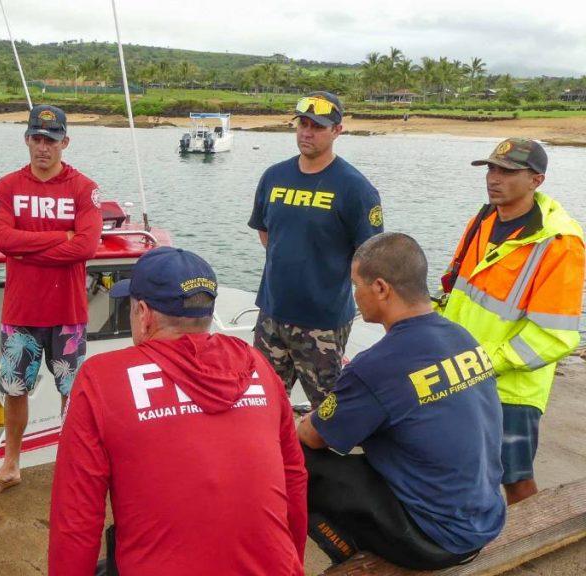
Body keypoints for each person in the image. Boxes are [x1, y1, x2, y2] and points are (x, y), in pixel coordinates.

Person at [49, 247, 307, 575]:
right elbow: (294, 480)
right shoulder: (259, 365)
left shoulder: (100, 379)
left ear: (143, 313)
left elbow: (76, 521)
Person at [298, 233, 506, 570]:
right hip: (485, 518)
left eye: (356, 284)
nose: (354, 295)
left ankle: (353, 556)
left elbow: (312, 436)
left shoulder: (377, 365)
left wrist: (311, 419)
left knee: (297, 459)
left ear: (380, 288)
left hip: (436, 540)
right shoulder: (460, 336)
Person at [436, 138, 584, 505]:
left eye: (507, 171)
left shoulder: (559, 243)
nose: (494, 178)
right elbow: (454, 291)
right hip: (461, 368)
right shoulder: (482, 220)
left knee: (514, 476)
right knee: (458, 459)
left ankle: (529, 530)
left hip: (512, 387)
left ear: (537, 180)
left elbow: (554, 335)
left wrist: (485, 363)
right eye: (491, 168)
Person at [0, 104, 103, 499]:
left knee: (73, 391)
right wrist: (59, 239)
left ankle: (73, 463)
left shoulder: (83, 188)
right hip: (21, 314)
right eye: (36, 137)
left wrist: (27, 250)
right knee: (14, 389)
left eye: (51, 139)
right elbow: (2, 241)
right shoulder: (7, 187)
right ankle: (11, 464)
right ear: (27, 139)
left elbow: (86, 245)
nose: (43, 146)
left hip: (68, 314)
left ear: (65, 142)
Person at [248, 91, 383, 410]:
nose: (307, 132)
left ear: (338, 130)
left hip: (323, 322)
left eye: (318, 126)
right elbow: (266, 233)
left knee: (327, 407)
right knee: (264, 400)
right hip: (271, 313)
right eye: (302, 124)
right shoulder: (274, 176)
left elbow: (370, 256)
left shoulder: (355, 189)